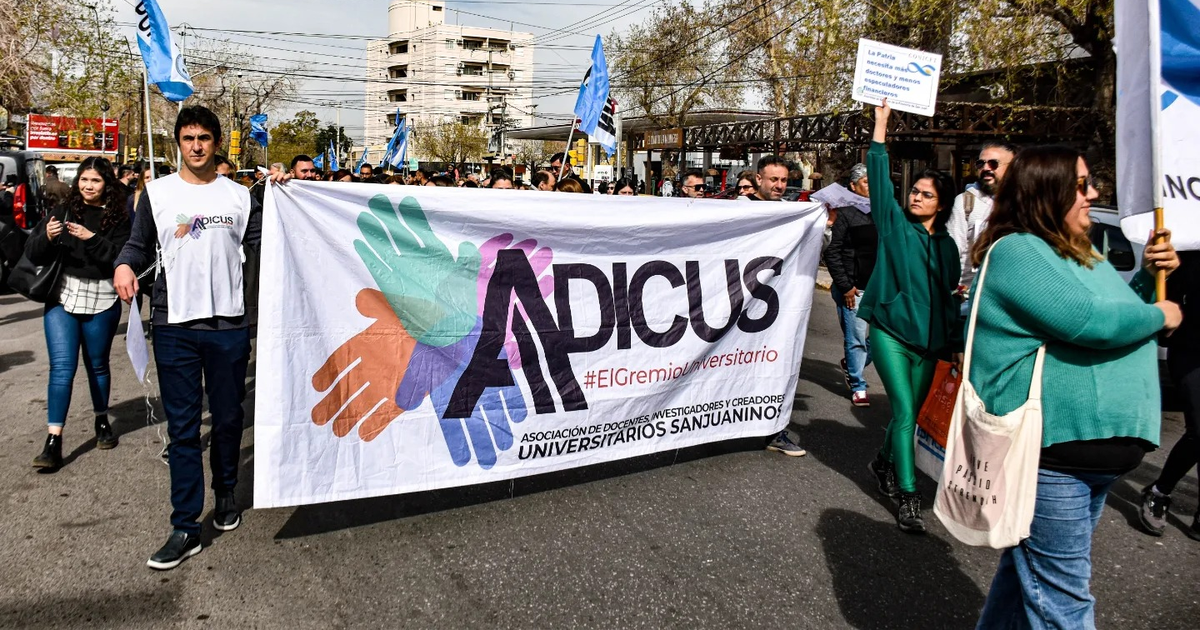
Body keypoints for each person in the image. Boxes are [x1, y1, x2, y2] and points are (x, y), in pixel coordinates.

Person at [966, 145, 1181, 628]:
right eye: (1083, 185)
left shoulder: (1081, 250)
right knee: (1063, 604)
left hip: (1093, 456)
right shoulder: (1018, 251)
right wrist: (1161, 313)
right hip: (1052, 459)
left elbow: (1119, 315)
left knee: (1028, 583)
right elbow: (1088, 321)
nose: (1094, 194)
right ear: (1048, 189)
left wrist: (1150, 280)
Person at [114, 105, 262, 571]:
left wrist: (285, 191)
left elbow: (268, 246)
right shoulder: (156, 193)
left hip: (228, 326)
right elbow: (137, 245)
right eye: (188, 138)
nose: (196, 146)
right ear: (178, 142)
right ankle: (185, 527)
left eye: (204, 138)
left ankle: (225, 492)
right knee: (182, 430)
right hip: (174, 326)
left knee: (228, 417)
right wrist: (124, 265)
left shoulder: (240, 197)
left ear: (216, 142)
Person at [858, 99, 961, 533]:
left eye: (926, 194)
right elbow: (880, 179)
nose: (916, 197)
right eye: (914, 191)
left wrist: (955, 345)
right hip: (890, 334)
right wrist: (881, 126)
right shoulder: (896, 226)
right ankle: (908, 495)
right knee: (903, 413)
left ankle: (883, 463)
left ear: (942, 203)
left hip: (930, 344)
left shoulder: (948, 248)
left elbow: (950, 300)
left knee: (911, 416)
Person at [26, 157, 131, 471]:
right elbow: (32, 253)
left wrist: (92, 238)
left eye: (95, 181)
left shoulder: (119, 216)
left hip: (102, 296)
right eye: (84, 179)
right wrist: (47, 236)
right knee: (61, 368)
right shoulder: (63, 210)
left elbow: (121, 258)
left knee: (97, 364)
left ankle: (102, 420)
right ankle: (53, 441)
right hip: (63, 295)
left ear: (106, 184)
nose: (88, 186)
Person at [738, 155, 808, 457]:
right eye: (774, 179)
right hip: (739, 304)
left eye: (784, 180)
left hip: (775, 306)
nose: (780, 185)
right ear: (759, 179)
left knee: (774, 367)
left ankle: (774, 430)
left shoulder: (792, 213)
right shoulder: (740, 209)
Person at [1138, 250, 1200, 540]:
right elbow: (1169, 300)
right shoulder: (1190, 250)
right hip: (1191, 351)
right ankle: (1160, 491)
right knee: (1199, 429)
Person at [823, 163, 876, 408]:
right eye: (866, 181)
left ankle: (853, 363)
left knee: (882, 339)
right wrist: (845, 286)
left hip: (879, 288)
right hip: (854, 289)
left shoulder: (883, 211)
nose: (872, 186)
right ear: (853, 186)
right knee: (856, 338)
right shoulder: (844, 213)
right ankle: (858, 385)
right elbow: (832, 252)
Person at [947, 142, 1017, 311]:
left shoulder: (1024, 203)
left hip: (1010, 302)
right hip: (969, 303)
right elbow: (952, 255)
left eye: (993, 163)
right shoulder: (965, 202)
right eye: (981, 163)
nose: (986, 168)